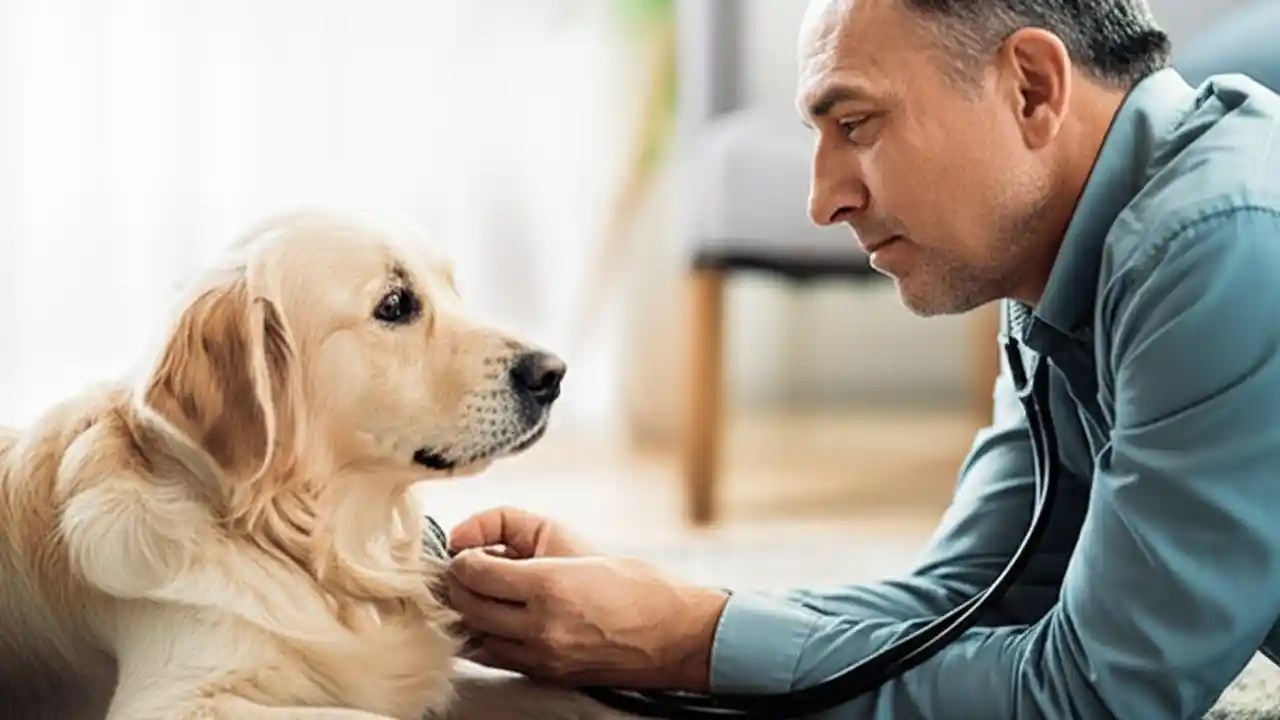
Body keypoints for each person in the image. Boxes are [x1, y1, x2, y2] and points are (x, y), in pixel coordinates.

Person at [442, 0, 1280, 717]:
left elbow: (1089, 698)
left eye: (856, 125)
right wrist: (648, 607)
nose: (822, 199)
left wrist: (682, 643)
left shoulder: (1218, 244)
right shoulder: (1066, 261)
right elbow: (965, 599)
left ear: (1031, 88)